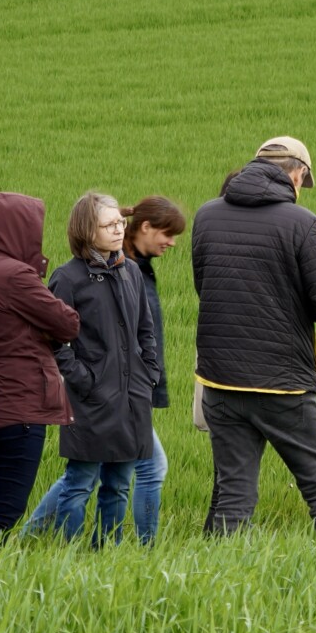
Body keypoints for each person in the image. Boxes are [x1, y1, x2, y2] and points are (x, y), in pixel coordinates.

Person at [190, 136, 316, 535]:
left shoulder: (207, 215)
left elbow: (205, 286)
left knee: (233, 495)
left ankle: (217, 583)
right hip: (282, 387)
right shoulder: (303, 223)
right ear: (297, 174)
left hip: (219, 381)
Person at [40, 193, 165, 543]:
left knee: (119, 485)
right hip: (90, 401)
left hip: (131, 398)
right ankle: (72, 554)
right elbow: (54, 342)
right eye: (108, 225)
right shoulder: (68, 278)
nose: (118, 230)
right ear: (85, 230)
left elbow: (145, 331)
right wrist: (85, 381)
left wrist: (148, 373)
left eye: (120, 223)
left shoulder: (130, 273)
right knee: (79, 484)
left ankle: (106, 553)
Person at [0, 192, 79, 539]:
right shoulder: (16, 275)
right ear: (21, 230)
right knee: (5, 511)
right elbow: (67, 323)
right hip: (22, 409)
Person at [121, 196, 186, 540]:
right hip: (124, 389)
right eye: (167, 234)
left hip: (130, 387)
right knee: (152, 467)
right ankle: (147, 548)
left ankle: (30, 534)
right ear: (145, 227)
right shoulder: (123, 269)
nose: (172, 243)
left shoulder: (138, 266)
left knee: (91, 472)